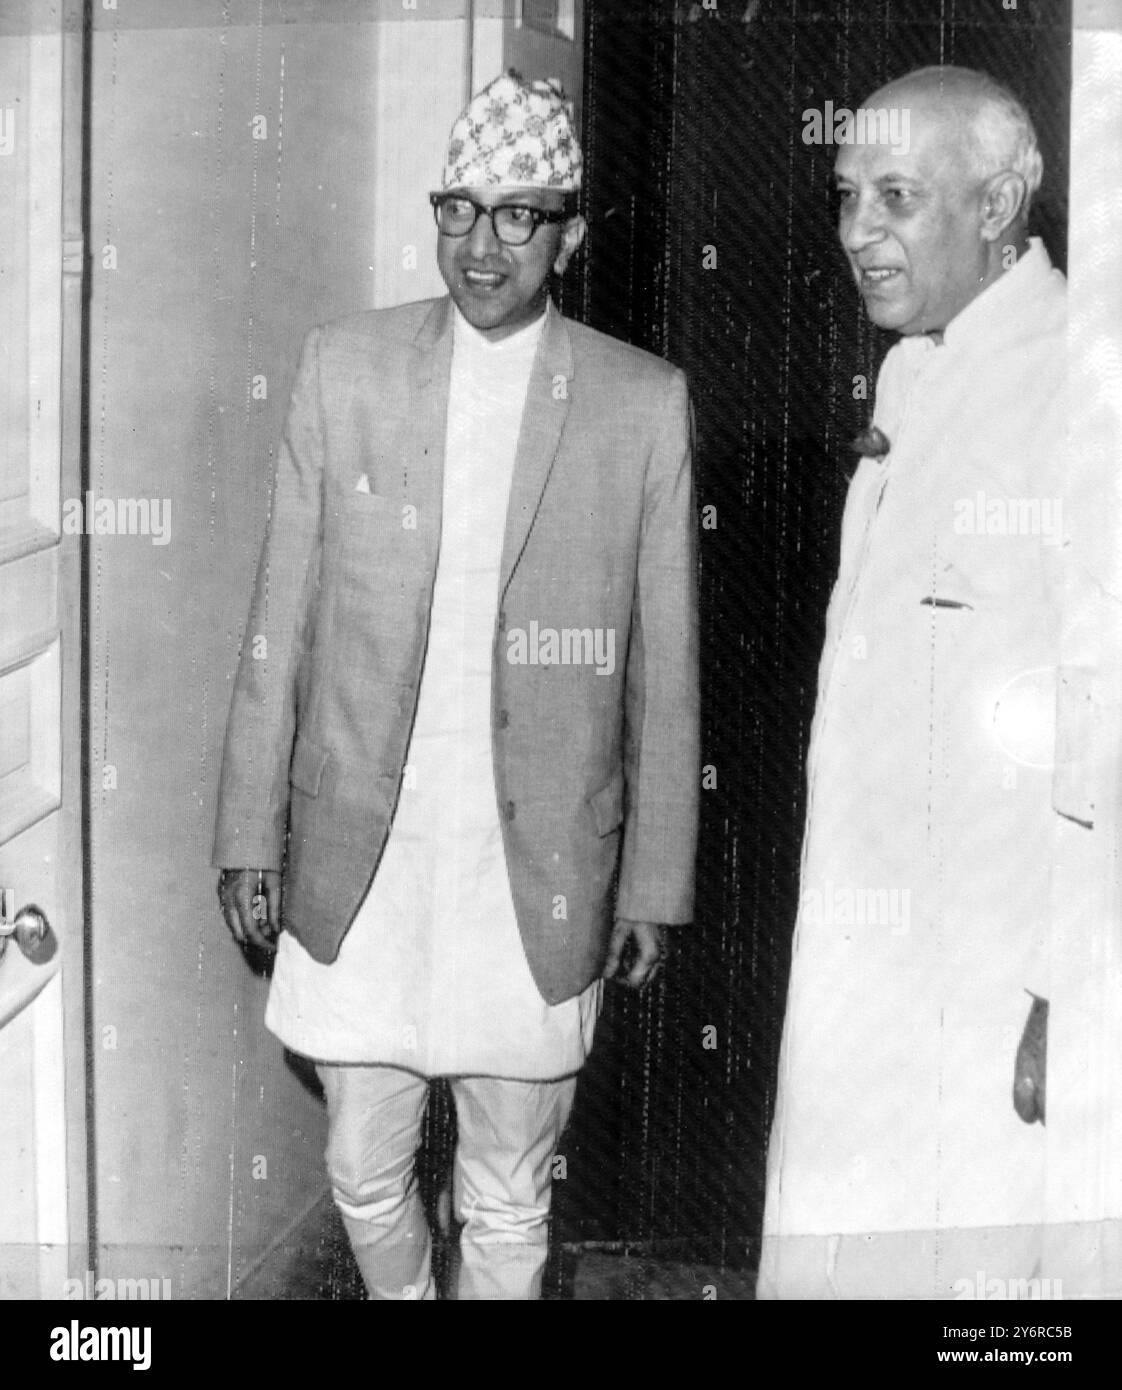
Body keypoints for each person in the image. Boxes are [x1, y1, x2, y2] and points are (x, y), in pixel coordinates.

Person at [213, 71, 699, 1301]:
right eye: (459, 209)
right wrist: (244, 830)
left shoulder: (642, 404)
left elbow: (668, 667)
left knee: (506, 1189)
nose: (482, 245)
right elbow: (280, 621)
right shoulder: (343, 366)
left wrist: (654, 879)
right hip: (359, 855)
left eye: (520, 215)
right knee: (361, 1167)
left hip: (531, 870)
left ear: (571, 235)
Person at [760, 65, 1120, 1298]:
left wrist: (1064, 996)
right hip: (872, 985)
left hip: (989, 1001)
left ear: (1004, 201)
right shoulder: (919, 365)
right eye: (849, 193)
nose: (859, 229)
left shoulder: (1085, 381)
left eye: (899, 195)